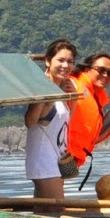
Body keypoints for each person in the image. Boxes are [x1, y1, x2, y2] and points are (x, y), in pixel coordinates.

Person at [25, 39, 77, 202]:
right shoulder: (41, 86)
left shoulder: (63, 87)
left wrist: (72, 100)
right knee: (57, 210)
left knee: (44, 212)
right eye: (60, 60)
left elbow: (65, 123)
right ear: (48, 61)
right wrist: (47, 94)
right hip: (43, 160)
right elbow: (30, 122)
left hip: (55, 159)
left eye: (70, 61)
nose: (65, 65)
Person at [66, 51, 110, 168]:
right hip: (59, 157)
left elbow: (93, 139)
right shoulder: (73, 85)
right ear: (86, 70)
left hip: (70, 162)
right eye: (101, 70)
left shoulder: (95, 100)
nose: (105, 75)